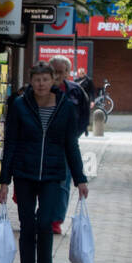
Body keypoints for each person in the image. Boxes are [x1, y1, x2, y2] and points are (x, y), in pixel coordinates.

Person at [0, 63, 87, 263]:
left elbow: (71, 144)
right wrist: (4, 181)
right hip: (24, 174)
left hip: (52, 174)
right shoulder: (19, 106)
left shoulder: (65, 108)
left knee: (46, 223)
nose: (41, 84)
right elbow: (11, 143)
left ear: (53, 81)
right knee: (27, 227)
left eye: (45, 79)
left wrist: (80, 179)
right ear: (31, 81)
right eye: (37, 80)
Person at [46, 56, 90, 234]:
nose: (56, 75)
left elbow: (84, 116)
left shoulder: (76, 91)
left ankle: (56, 219)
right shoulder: (40, 89)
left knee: (63, 182)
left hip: (65, 145)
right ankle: (43, 215)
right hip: (43, 145)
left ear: (67, 72)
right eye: (53, 71)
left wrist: (73, 136)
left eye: (60, 71)